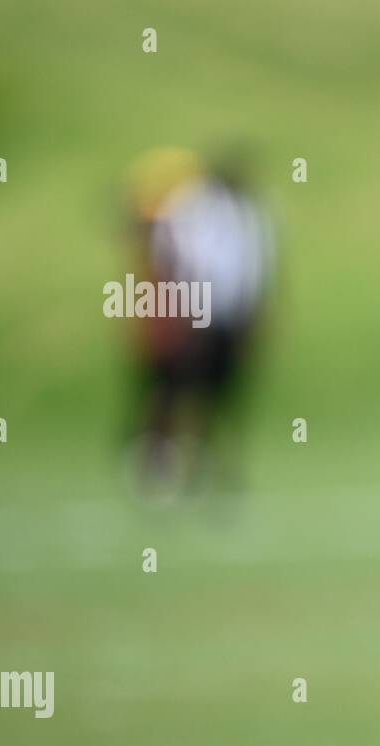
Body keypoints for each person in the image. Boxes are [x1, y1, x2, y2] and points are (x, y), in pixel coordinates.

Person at [123, 147, 275, 498]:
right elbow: (181, 261)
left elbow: (257, 269)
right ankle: (157, 466)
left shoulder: (254, 215)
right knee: (172, 392)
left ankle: (209, 466)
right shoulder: (195, 212)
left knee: (222, 397)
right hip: (196, 316)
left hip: (232, 319)